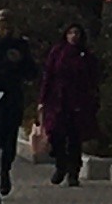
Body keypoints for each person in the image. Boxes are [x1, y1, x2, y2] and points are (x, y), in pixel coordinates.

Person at [0, 9, 38, 195]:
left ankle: (5, 171)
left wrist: (21, 65)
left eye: (8, 25)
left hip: (12, 97)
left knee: (9, 141)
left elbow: (31, 71)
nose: (5, 29)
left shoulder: (20, 46)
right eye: (1, 25)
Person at [40, 19, 102, 186]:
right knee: (56, 135)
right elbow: (49, 75)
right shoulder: (57, 52)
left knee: (75, 138)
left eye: (77, 33)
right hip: (58, 100)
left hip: (78, 102)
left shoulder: (85, 56)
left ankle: (73, 172)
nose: (74, 36)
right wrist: (43, 99)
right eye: (71, 33)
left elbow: (93, 78)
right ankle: (61, 166)